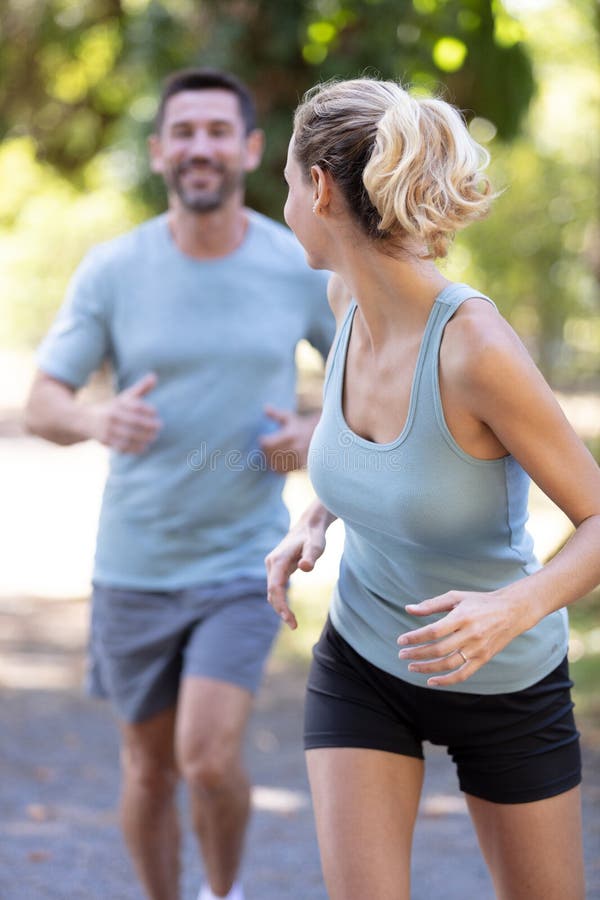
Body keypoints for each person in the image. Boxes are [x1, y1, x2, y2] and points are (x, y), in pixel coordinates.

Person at [265, 76, 600, 900]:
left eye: (284, 185)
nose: (284, 208)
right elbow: (389, 461)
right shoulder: (346, 302)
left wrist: (515, 606)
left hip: (504, 682)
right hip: (364, 662)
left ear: (318, 187)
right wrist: (318, 513)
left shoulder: (474, 349)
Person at [25, 68, 334, 900]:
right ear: (161, 151)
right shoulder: (114, 268)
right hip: (133, 563)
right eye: (184, 133)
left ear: (251, 149)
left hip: (240, 562)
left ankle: (222, 892)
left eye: (216, 131)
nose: (200, 147)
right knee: (149, 769)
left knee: (206, 756)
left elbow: (370, 378)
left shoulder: (295, 262)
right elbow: (42, 401)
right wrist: (98, 421)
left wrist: (315, 434)